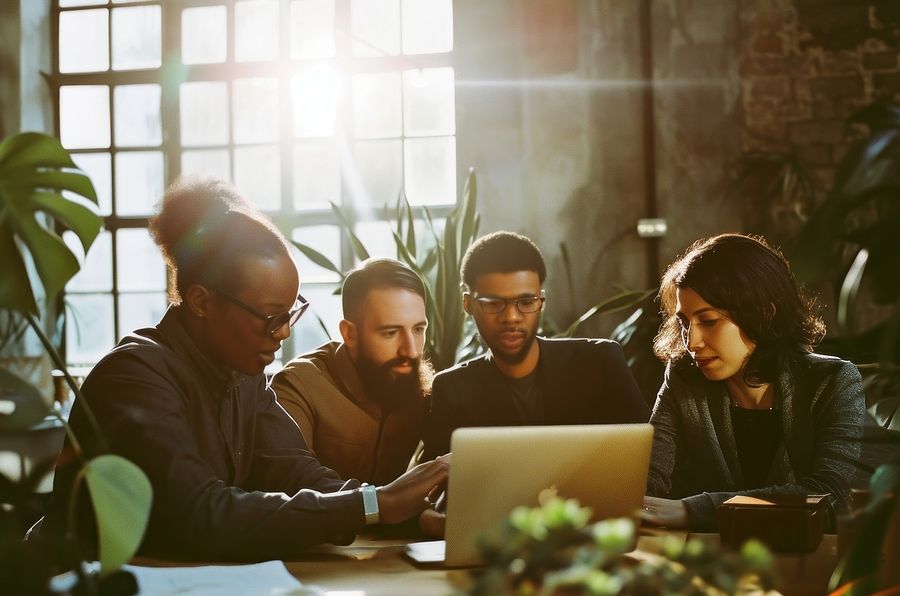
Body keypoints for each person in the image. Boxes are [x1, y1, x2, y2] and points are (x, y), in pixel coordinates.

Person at [42, 178, 448, 561]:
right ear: (201, 301)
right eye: (271, 317)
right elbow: (202, 514)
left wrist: (395, 502)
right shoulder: (134, 377)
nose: (284, 332)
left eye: (291, 313)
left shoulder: (242, 375)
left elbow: (293, 469)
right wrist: (373, 504)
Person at [643, 233, 863, 531]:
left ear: (763, 314)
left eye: (708, 321)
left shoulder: (833, 383)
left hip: (808, 559)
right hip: (713, 562)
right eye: (684, 322)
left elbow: (827, 496)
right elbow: (648, 477)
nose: (691, 341)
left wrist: (692, 510)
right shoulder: (684, 379)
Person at [422, 231, 649, 460]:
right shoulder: (452, 389)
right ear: (468, 304)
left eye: (526, 302)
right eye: (493, 303)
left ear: (541, 302)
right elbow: (441, 485)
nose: (511, 317)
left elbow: (648, 456)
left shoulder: (600, 362)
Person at [270, 258, 431, 485]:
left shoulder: (425, 385)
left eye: (418, 329)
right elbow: (293, 481)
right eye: (390, 332)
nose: (411, 350)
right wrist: (385, 503)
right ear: (349, 334)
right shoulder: (298, 386)